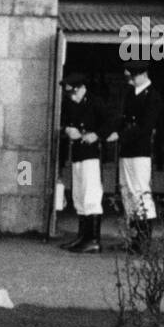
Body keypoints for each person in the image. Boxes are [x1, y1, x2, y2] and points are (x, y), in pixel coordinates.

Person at [108, 65, 163, 249]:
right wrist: (114, 130)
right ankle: (133, 238)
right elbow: (124, 119)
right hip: (128, 150)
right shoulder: (132, 94)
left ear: (143, 74)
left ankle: (143, 240)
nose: (129, 80)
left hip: (140, 151)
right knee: (127, 191)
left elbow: (145, 126)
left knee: (140, 192)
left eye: (132, 76)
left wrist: (121, 135)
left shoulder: (152, 96)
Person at [58, 72, 108, 253]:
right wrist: (67, 130)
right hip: (77, 154)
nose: (71, 97)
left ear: (81, 88)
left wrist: (96, 135)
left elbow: (110, 122)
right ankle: (82, 237)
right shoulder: (71, 104)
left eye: (73, 93)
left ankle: (93, 239)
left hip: (92, 155)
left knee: (91, 195)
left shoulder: (95, 102)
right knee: (79, 195)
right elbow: (62, 122)